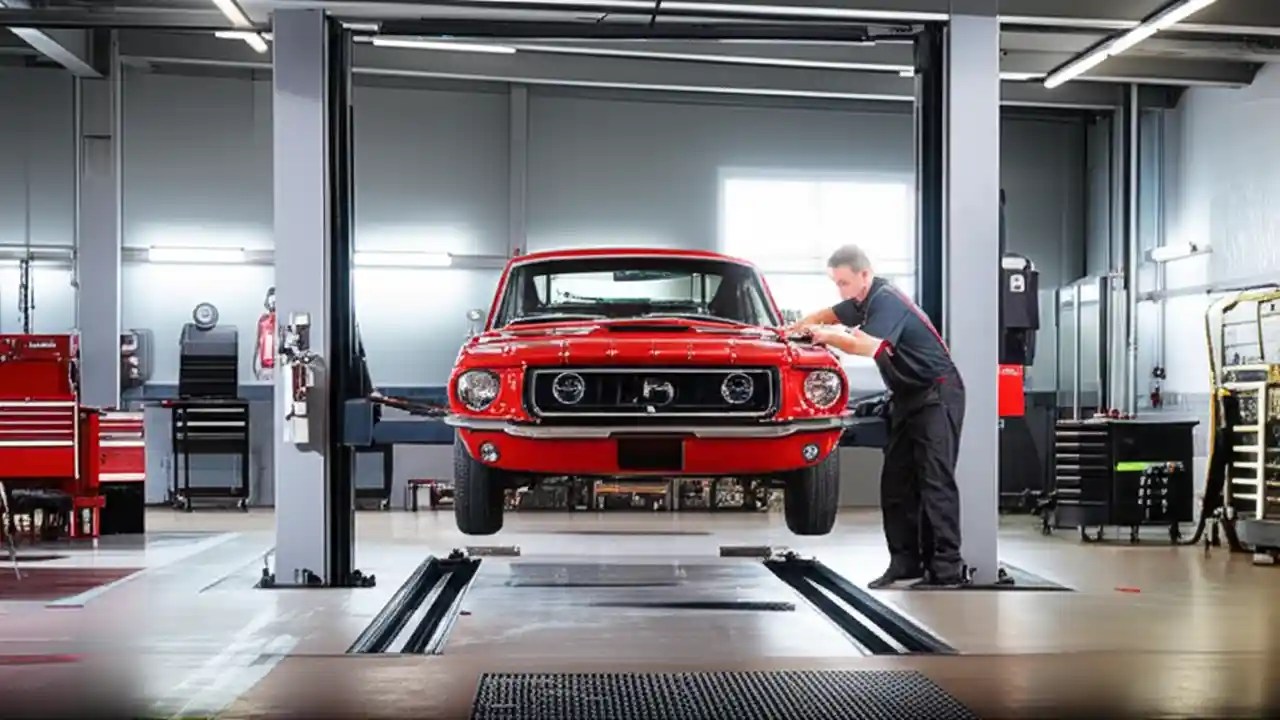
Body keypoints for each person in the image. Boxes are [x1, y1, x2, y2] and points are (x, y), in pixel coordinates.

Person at [791, 245, 967, 589]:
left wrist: (826, 336)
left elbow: (866, 346)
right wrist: (795, 328)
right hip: (906, 396)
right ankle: (906, 564)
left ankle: (946, 570)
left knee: (934, 482)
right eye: (836, 283)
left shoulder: (887, 299)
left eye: (844, 282)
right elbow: (825, 314)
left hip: (937, 395)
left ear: (864, 275)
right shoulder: (861, 301)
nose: (840, 290)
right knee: (896, 484)